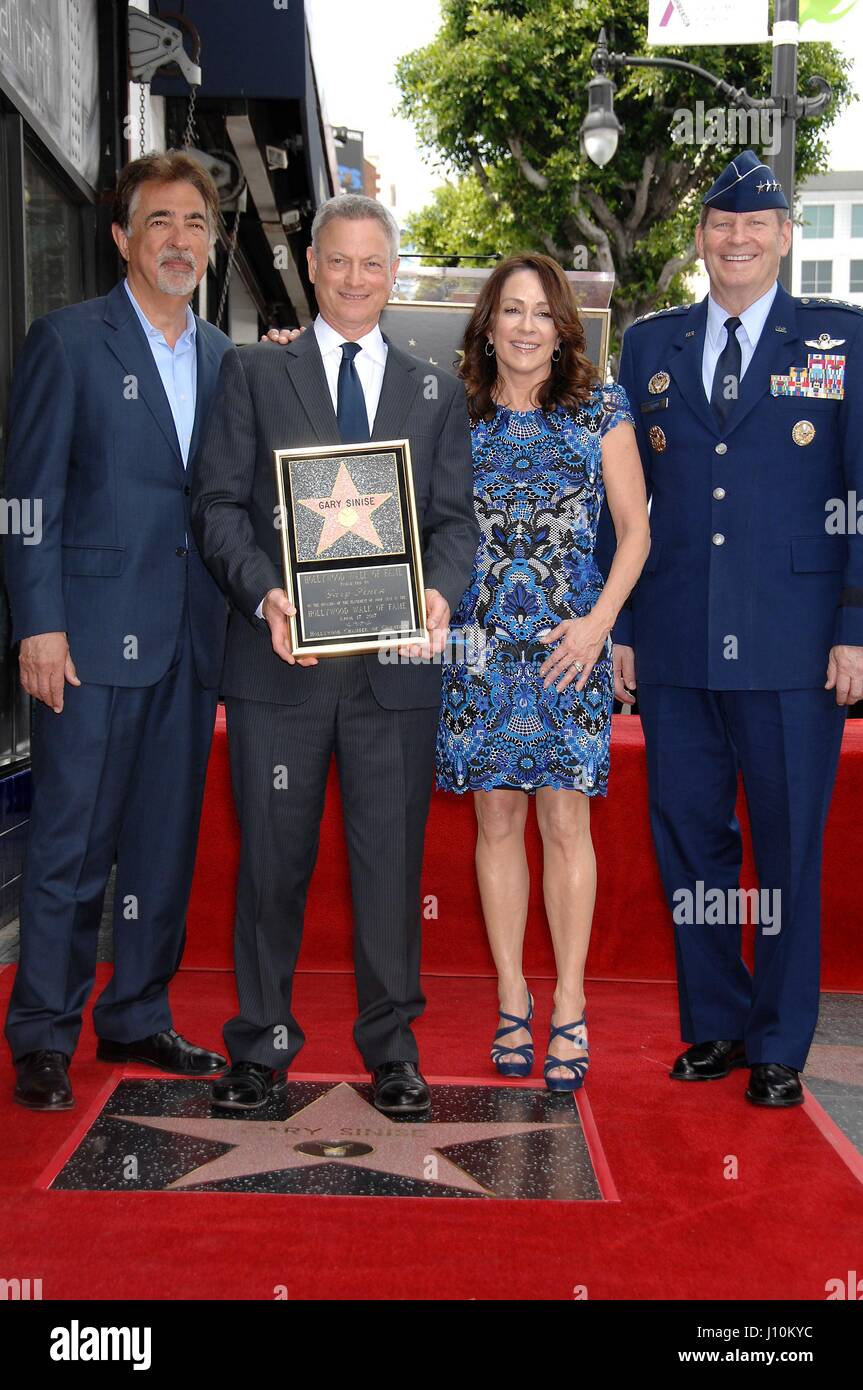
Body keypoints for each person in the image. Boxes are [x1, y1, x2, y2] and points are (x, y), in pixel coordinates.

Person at [191, 193, 478, 1116]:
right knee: (271, 862)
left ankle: (392, 1047)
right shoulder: (250, 375)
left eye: (373, 263)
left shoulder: (434, 391)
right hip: (281, 665)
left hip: (394, 678)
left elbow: (453, 524)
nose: (355, 279)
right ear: (311, 267)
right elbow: (218, 508)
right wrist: (264, 594)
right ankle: (261, 1047)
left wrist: (436, 593)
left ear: (394, 274)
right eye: (338, 261)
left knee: (391, 868)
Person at [606, 151, 863, 1106]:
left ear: (786, 236)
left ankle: (779, 1041)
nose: (737, 238)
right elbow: (620, 499)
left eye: (756, 224)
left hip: (795, 643)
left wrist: (855, 624)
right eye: (720, 224)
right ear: (700, 237)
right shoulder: (649, 346)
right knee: (691, 838)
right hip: (675, 639)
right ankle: (713, 1024)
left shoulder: (841, 341)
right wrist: (621, 621)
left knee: (789, 845)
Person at [4, 152, 234, 1110]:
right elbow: (25, 497)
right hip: (90, 641)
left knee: (161, 842)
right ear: (121, 238)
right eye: (159, 223)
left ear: (213, 243)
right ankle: (44, 1035)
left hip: (192, 640)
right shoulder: (68, 340)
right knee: (70, 842)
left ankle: (136, 1014)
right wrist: (39, 626)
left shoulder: (228, 357)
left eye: (194, 224)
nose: (178, 240)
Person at [435, 254, 650, 1090]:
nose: (525, 327)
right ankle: (509, 997)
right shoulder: (453, 413)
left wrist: (600, 627)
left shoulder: (600, 408)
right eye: (510, 311)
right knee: (494, 826)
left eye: (541, 313)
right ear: (487, 325)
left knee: (565, 827)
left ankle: (568, 1004)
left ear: (562, 329)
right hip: (479, 648)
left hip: (569, 647)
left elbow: (633, 531)